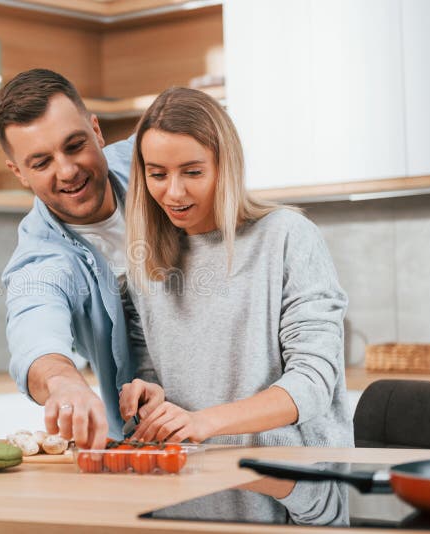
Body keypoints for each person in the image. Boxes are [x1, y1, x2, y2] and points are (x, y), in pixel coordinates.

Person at [119, 87, 353, 447]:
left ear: (224, 166)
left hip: (288, 486)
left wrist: (204, 421)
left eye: (193, 172)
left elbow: (313, 383)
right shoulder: (145, 259)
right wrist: (152, 397)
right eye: (158, 174)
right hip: (186, 482)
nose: (174, 192)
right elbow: (155, 375)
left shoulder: (287, 237)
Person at [0, 69, 162, 450]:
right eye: (41, 162)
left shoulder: (158, 164)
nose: (66, 171)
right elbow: (34, 328)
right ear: (18, 172)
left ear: (96, 130)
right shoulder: (40, 255)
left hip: (249, 418)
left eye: (74, 145)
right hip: (150, 441)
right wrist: (63, 383)